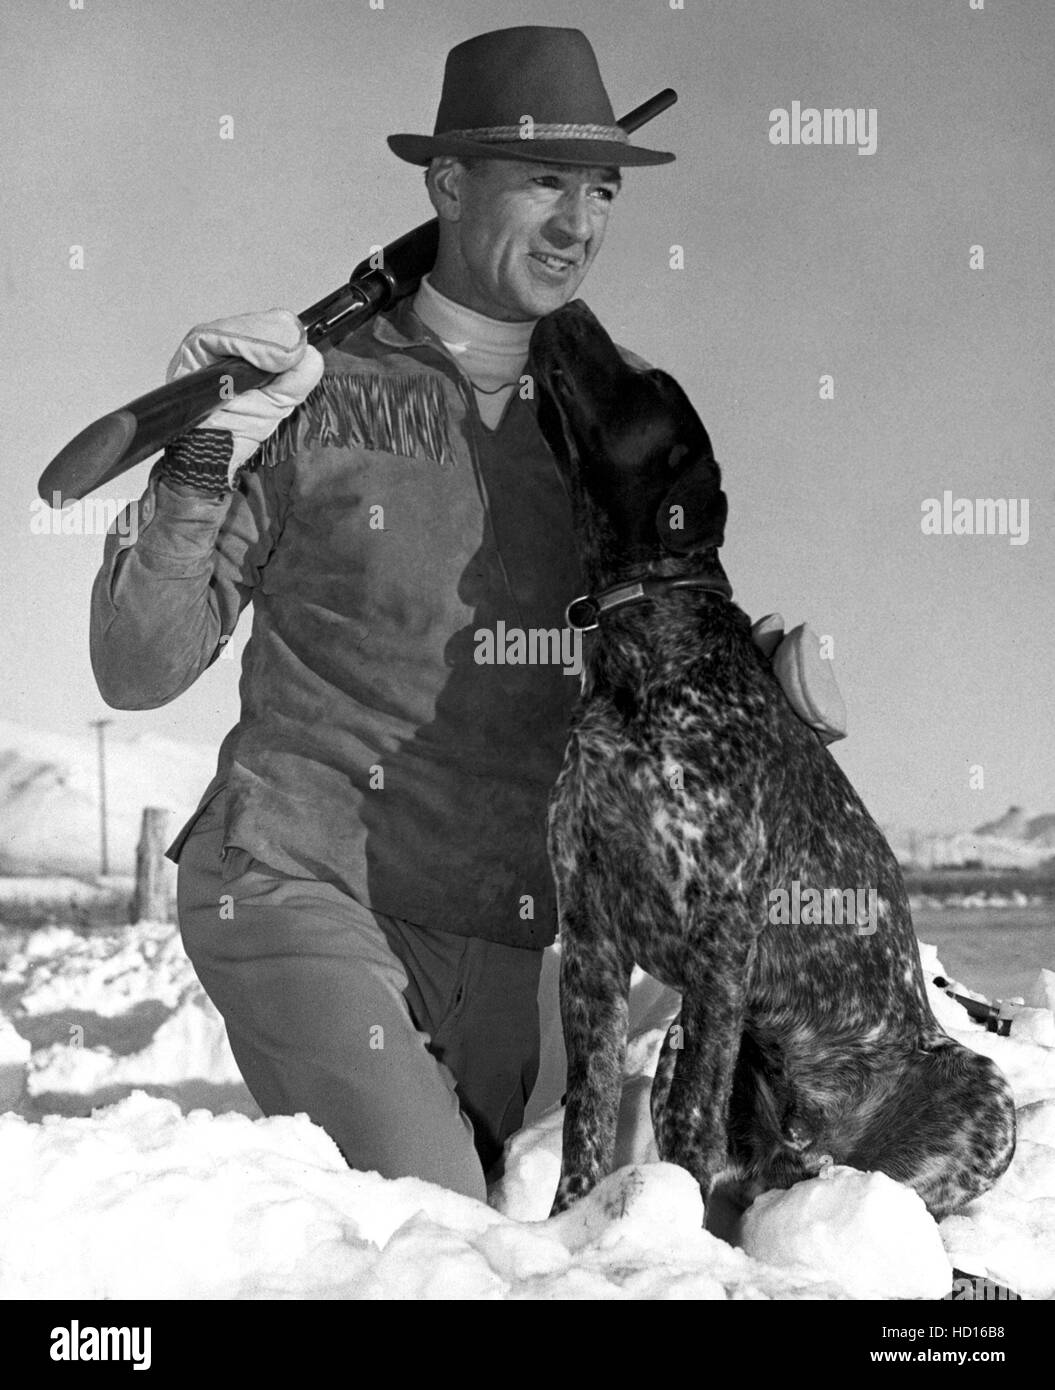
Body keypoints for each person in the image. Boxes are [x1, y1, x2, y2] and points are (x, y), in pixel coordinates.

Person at [90, 25, 842, 1203]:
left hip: (505, 931)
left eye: (599, 190)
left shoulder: (610, 422)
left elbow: (650, 669)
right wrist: (192, 476)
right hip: (296, 878)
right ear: (447, 184)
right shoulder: (308, 395)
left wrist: (758, 694)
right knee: (447, 1223)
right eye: (544, 179)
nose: (578, 222)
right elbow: (136, 671)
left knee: (749, 1103)